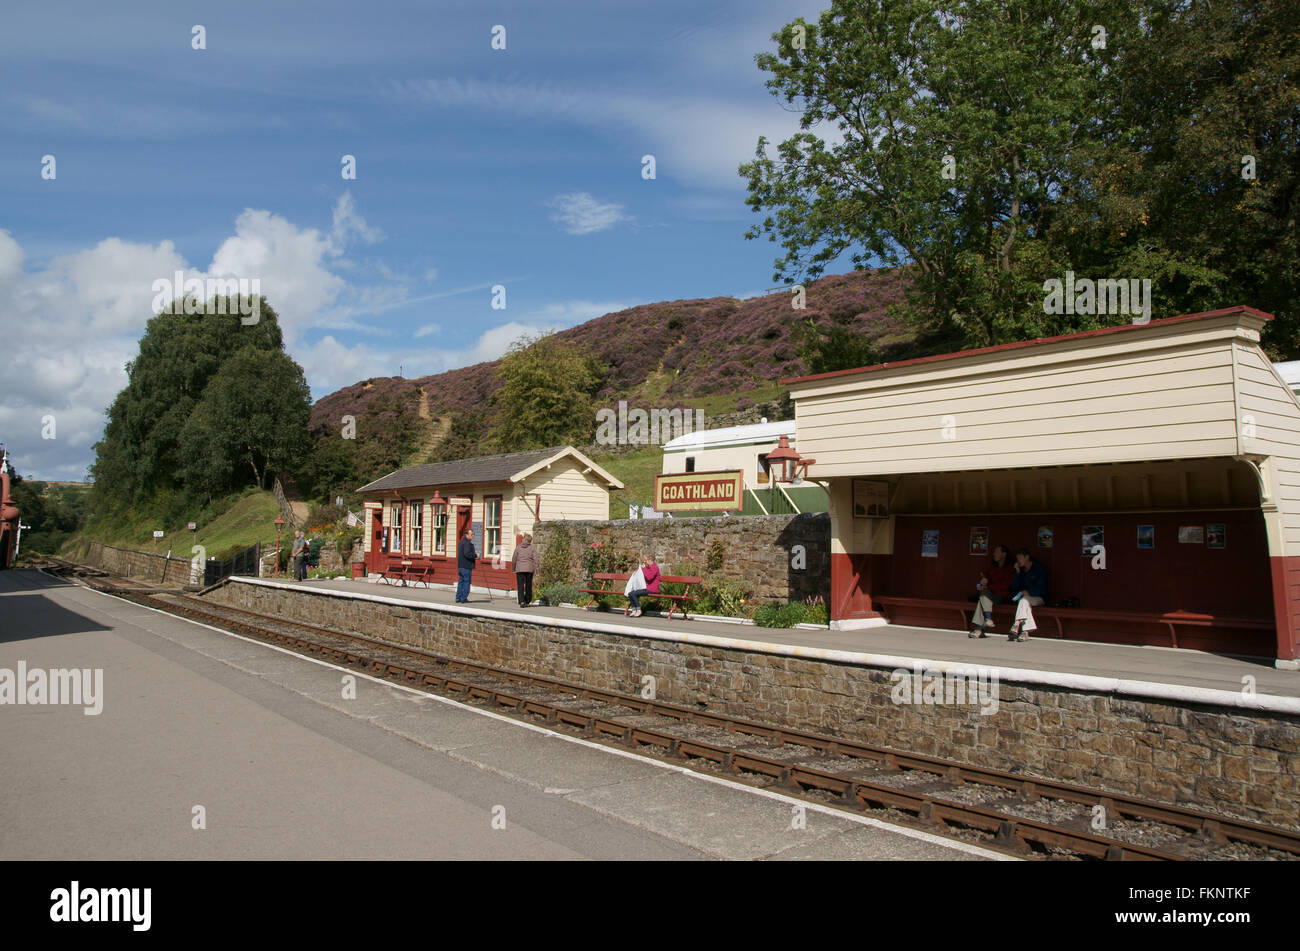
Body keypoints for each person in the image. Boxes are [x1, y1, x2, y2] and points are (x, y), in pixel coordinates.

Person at [968, 544, 1013, 638]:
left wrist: (988, 587)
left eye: (997, 552)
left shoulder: (1009, 568)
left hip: (1001, 597)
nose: (994, 554)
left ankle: (981, 626)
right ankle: (985, 622)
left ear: (1004, 554)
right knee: (983, 596)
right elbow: (986, 577)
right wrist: (982, 584)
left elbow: (1005, 586)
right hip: (990, 596)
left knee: (983, 597)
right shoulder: (993, 568)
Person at [1008, 547, 1048, 642]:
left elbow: (1042, 588)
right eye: (1017, 558)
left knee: (1024, 600)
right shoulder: (1021, 570)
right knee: (1024, 602)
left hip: (1038, 598)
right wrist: (1017, 572)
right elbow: (1014, 586)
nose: (1018, 561)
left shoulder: (1038, 569)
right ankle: (1025, 632)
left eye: (1020, 558)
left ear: (1027, 557)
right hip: (1025, 599)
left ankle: (1016, 623)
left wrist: (1030, 592)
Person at [511, 533, 539, 607]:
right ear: (530, 541)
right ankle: (527, 600)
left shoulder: (518, 548)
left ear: (523, 539)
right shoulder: (532, 548)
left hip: (520, 569)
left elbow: (514, 559)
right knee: (528, 585)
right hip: (529, 569)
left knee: (520, 586)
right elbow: (536, 560)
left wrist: (513, 568)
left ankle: (522, 601)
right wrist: (537, 570)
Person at [456, 528, 477, 603]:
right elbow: (467, 554)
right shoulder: (467, 543)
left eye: (473, 534)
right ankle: (463, 598)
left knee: (461, 582)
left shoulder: (461, 542)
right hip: (466, 566)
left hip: (460, 566)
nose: (472, 536)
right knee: (466, 582)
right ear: (467, 535)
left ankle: (458, 597)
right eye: (471, 534)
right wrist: (475, 555)